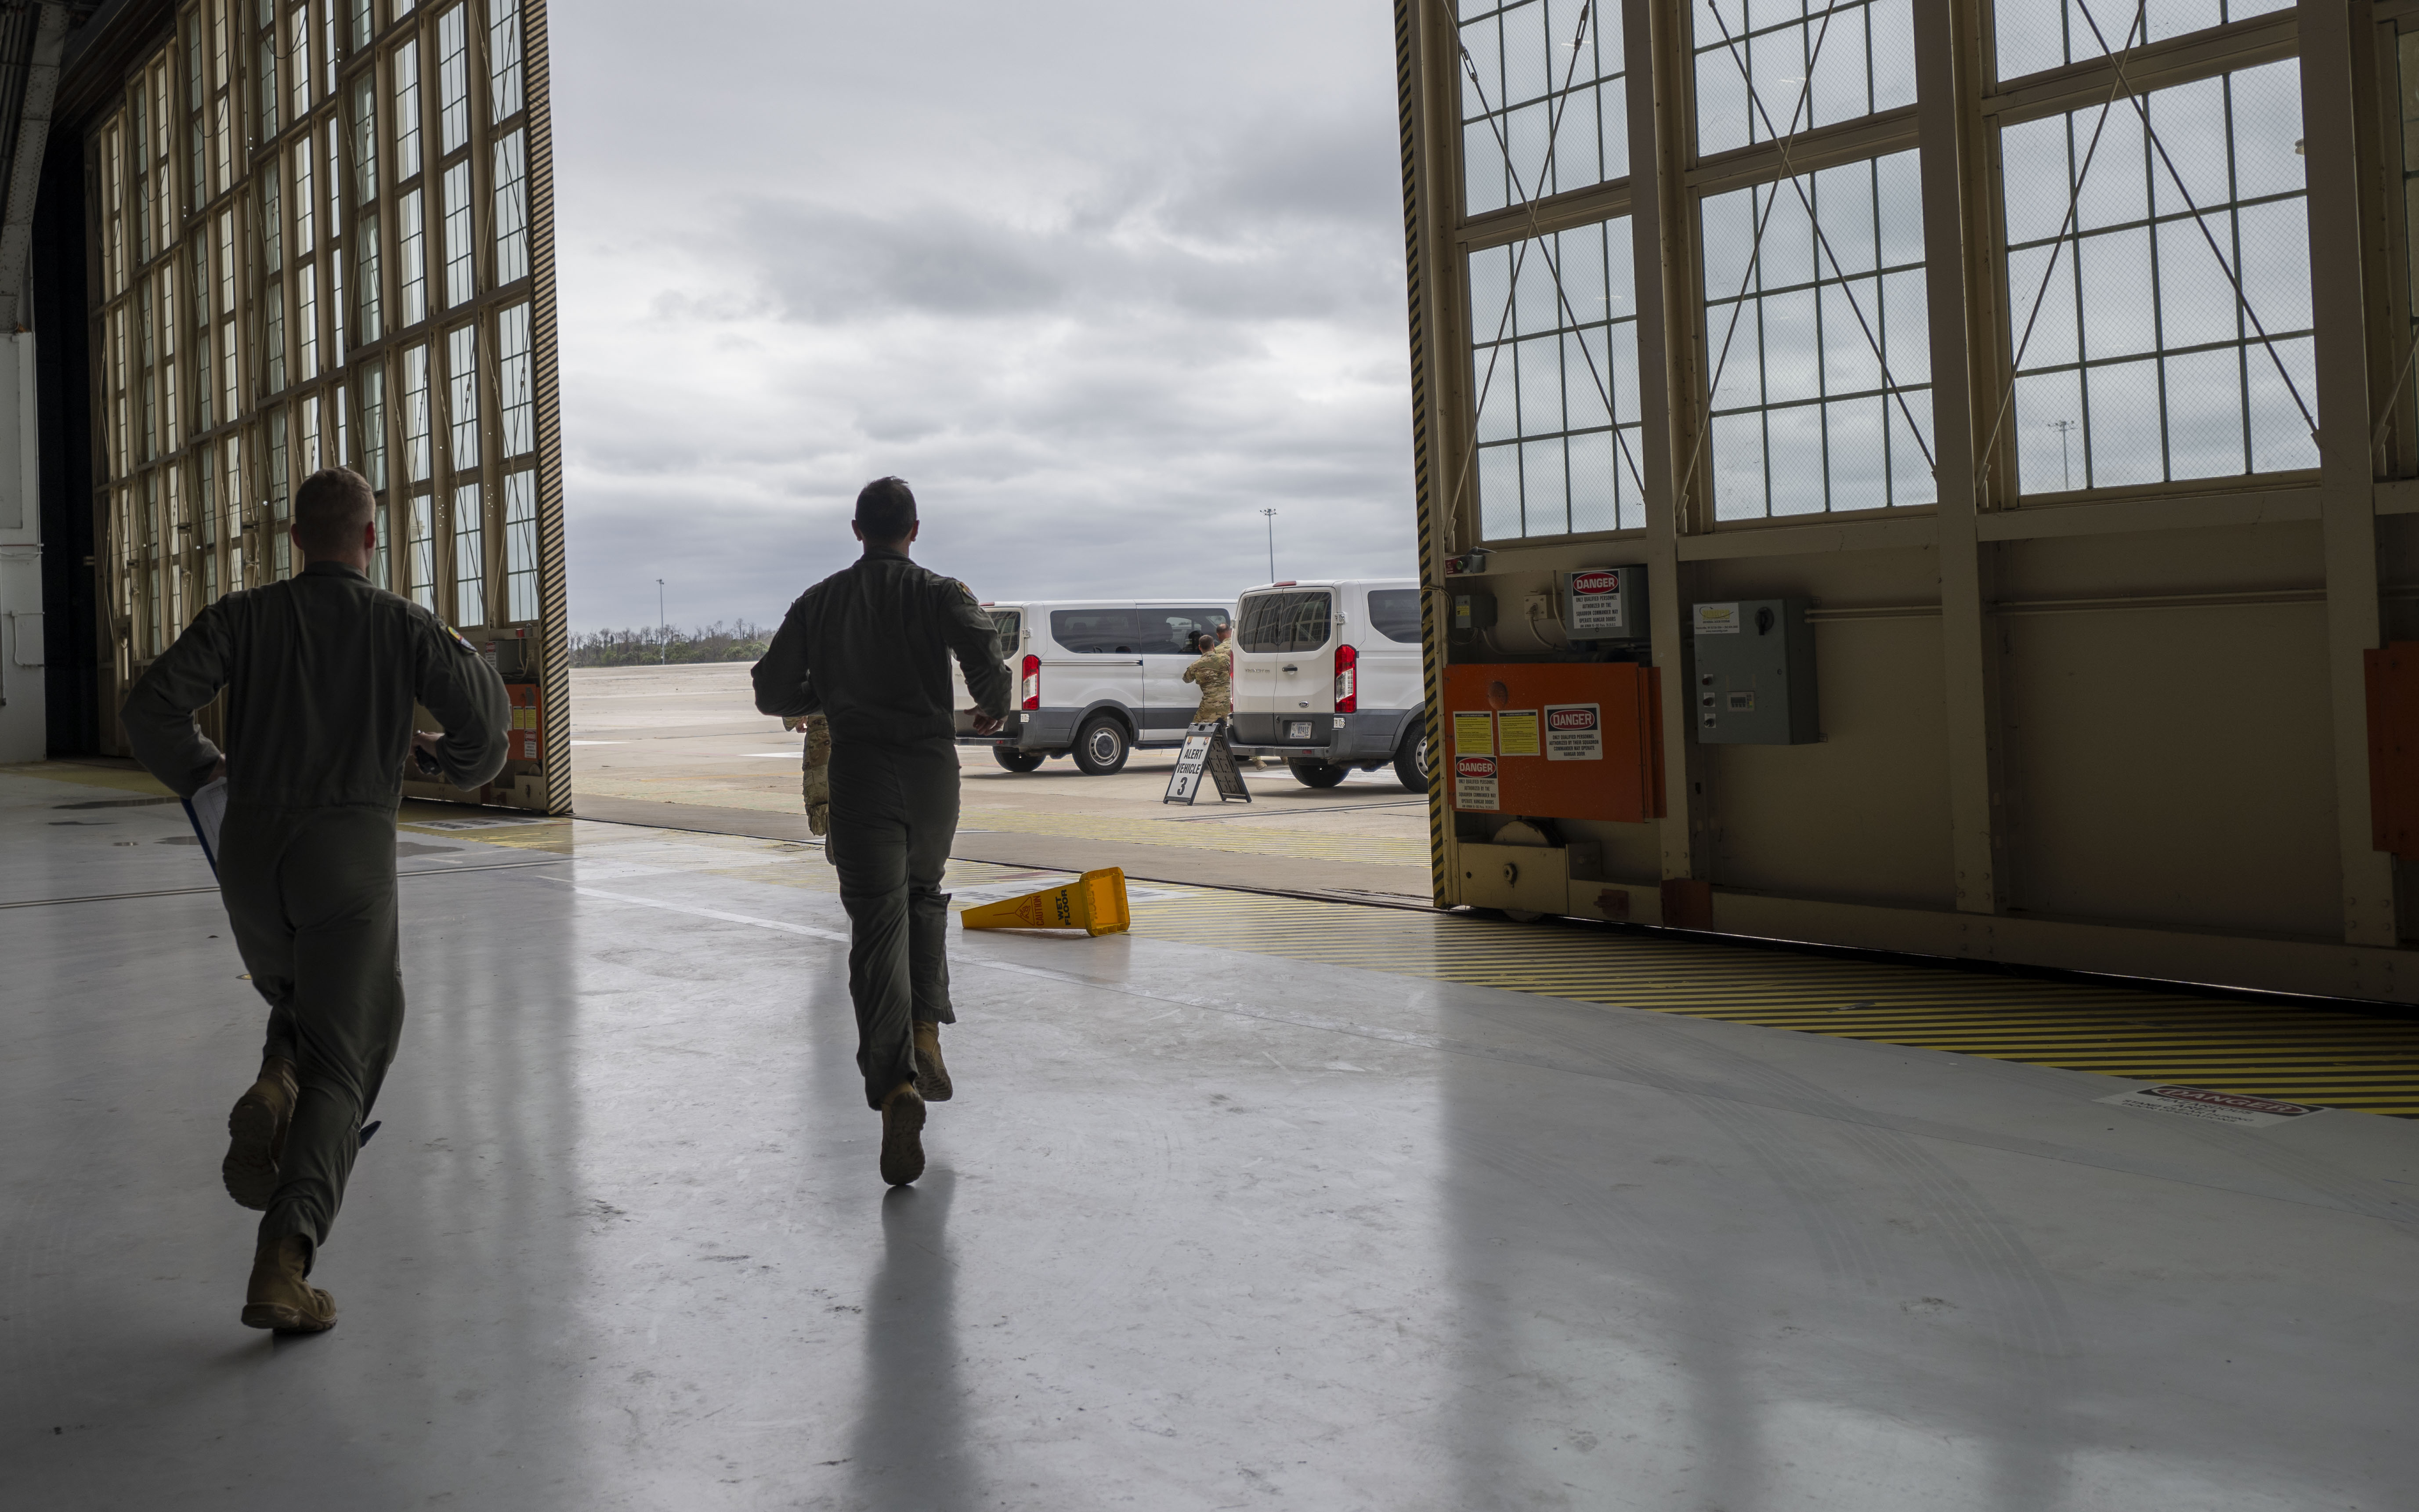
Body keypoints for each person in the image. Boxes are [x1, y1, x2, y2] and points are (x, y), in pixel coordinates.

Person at [121, 467, 510, 1334]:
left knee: (319, 1004)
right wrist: (437, 757)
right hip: (346, 860)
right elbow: (486, 740)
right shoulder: (403, 625)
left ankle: (272, 1084)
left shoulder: (242, 617)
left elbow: (150, 707)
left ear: (294, 540)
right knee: (352, 1050)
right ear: (371, 540)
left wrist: (202, 768)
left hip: (251, 858)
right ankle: (286, 1258)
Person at [751, 477, 1012, 1185]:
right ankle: (926, 1029)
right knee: (924, 893)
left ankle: (895, 1086)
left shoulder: (819, 600)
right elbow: (989, 664)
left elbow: (771, 691)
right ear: (914, 530)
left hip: (860, 773)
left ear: (857, 529)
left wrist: (829, 695)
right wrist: (990, 706)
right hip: (931, 773)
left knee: (875, 927)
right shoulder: (939, 591)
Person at [1182, 630, 1231, 725]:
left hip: (1209, 706)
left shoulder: (1196, 665)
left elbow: (1186, 679)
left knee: (1197, 728)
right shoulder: (1226, 659)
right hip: (1227, 705)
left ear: (1200, 647)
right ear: (1213, 646)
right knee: (1226, 729)